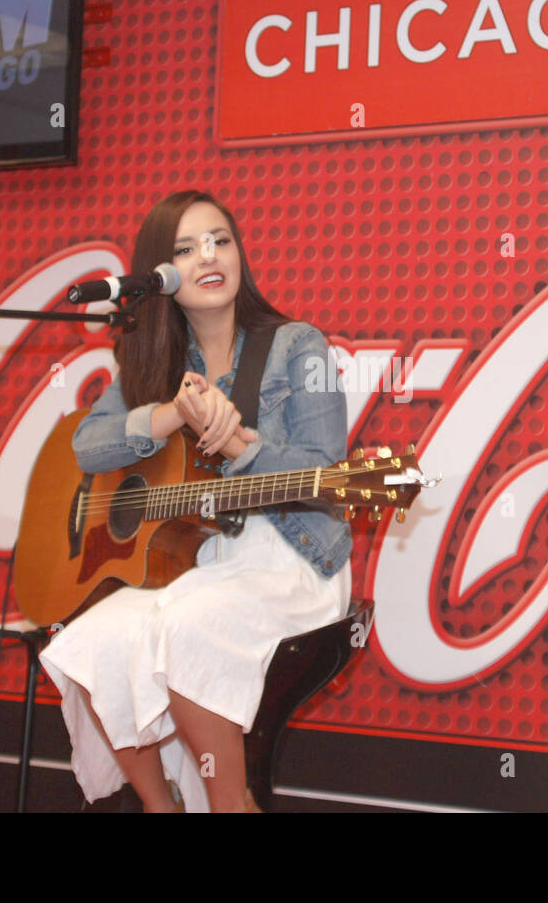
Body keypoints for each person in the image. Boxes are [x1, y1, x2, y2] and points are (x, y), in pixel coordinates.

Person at [39, 191, 352, 812]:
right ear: (159, 274)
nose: (208, 257)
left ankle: (228, 805)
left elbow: (327, 472)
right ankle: (163, 806)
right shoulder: (152, 360)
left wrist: (239, 442)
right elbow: (88, 445)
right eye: (185, 249)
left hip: (292, 558)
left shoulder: (296, 346)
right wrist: (164, 416)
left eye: (220, 240)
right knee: (90, 641)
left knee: (186, 628)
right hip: (204, 567)